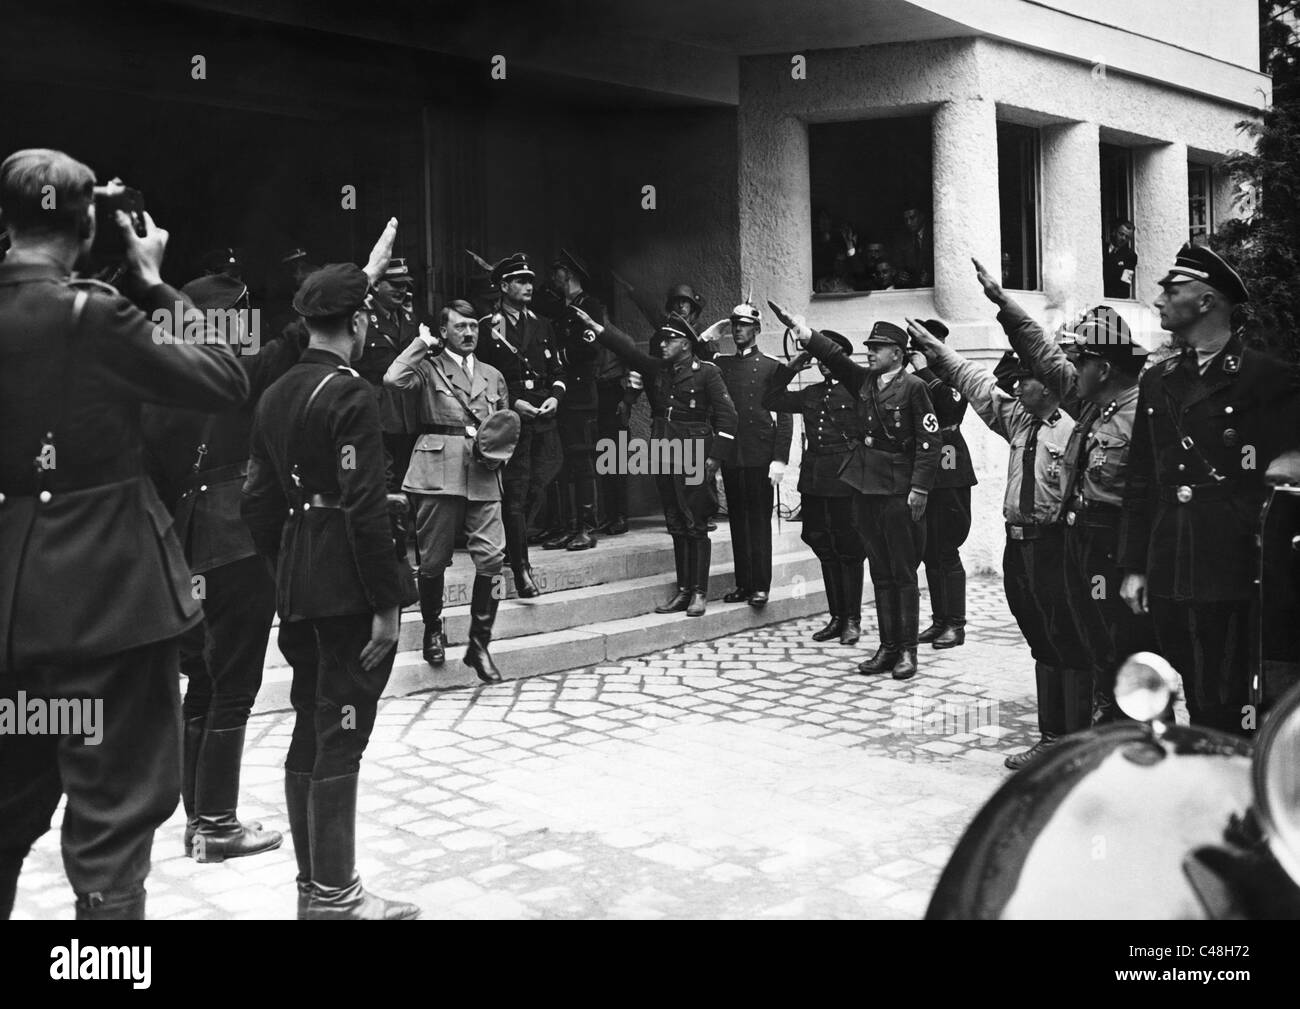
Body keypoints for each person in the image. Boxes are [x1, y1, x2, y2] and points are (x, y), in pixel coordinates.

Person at [0, 148, 248, 919]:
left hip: (11, 609)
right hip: (112, 603)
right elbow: (224, 378)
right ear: (86, 227)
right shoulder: (97, 315)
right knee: (110, 837)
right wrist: (149, 279)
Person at [242, 262, 418, 920]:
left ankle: (312, 887)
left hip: (299, 583)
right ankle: (337, 895)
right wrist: (386, 603)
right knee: (343, 726)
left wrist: (289, 563)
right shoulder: (351, 396)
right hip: (347, 590)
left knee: (311, 724)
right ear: (358, 322)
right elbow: (367, 510)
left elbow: (258, 502)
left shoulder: (276, 392)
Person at [142, 273, 296, 864]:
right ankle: (218, 824)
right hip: (237, 542)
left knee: (202, 685)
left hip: (184, 545)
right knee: (235, 686)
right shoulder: (237, 374)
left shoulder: (156, 386)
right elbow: (301, 333)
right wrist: (368, 272)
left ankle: (198, 826)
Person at [1119, 245, 1300, 735]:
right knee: (1189, 674)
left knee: (1234, 689)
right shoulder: (1158, 380)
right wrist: (1134, 565)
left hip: (1236, 561)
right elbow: (1141, 479)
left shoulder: (1266, 378)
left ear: (1206, 302)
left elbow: (1289, 480)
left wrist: (1276, 568)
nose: (1158, 300)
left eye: (1171, 291)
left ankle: (1235, 777)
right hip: (1171, 556)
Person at [973, 258, 1154, 722]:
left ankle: (1137, 753)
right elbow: (1044, 355)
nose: (1071, 371)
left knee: (1127, 660)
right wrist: (1002, 303)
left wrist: (1139, 567)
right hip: (1084, 548)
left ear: (1104, 367)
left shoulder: (1143, 416)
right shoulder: (1097, 407)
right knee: (1097, 654)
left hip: (1116, 554)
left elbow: (1147, 502)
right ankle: (1098, 739)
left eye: (1081, 362)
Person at [907, 320, 1089, 769]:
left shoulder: (1074, 427)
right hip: (1019, 546)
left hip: (1055, 545)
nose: (1014, 388)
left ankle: (1077, 740)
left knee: (1067, 639)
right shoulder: (1020, 420)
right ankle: (1052, 736)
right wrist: (936, 351)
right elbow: (975, 382)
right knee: (1040, 641)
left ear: (1047, 385)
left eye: (1023, 380)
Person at [792, 317, 941, 680]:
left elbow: (928, 442)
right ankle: (887, 647)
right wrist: (804, 333)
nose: (869, 352)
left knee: (903, 573)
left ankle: (907, 649)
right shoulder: (866, 382)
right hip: (864, 486)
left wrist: (920, 488)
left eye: (877, 348)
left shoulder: (914, 387)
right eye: (869, 347)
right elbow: (837, 359)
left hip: (898, 488)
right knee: (880, 570)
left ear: (897, 353)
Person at [574, 307, 738, 616]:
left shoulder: (707, 372)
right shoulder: (659, 369)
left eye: (669, 340)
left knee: (695, 523)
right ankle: (684, 590)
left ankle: (700, 592)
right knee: (675, 522)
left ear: (686, 343)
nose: (662, 345)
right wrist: (598, 327)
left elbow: (729, 418)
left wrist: (715, 458)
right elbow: (627, 350)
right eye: (662, 340)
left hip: (694, 450)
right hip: (664, 449)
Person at [385, 300, 517, 682]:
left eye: (474, 325)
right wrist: (420, 344)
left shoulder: (492, 375)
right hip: (437, 471)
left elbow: (504, 425)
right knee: (432, 561)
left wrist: (500, 458)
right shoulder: (427, 369)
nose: (469, 332)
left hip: (483, 473)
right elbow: (393, 380)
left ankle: (479, 643)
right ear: (443, 332)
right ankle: (432, 629)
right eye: (459, 327)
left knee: (493, 560)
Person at [762, 330, 867, 644]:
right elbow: (770, 398)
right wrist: (794, 365)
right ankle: (837, 616)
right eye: (819, 360)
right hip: (815, 479)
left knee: (849, 549)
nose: (823, 365)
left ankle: (852, 619)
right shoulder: (810, 393)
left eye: (827, 358)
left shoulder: (857, 391)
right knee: (822, 543)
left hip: (846, 479)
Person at [476, 252, 565, 597]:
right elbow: (482, 377)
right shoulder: (488, 328)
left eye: (530, 281)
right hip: (512, 420)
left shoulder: (543, 324)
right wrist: (513, 403)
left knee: (538, 485)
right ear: (503, 286)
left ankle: (511, 544)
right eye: (521, 281)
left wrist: (555, 396)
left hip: (543, 418)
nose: (528, 286)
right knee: (515, 493)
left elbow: (557, 370)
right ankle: (521, 568)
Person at [710, 303, 793, 608]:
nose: (738, 331)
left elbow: (784, 415)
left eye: (744, 326)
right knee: (738, 522)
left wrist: (780, 459)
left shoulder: (771, 366)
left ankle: (761, 585)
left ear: (756, 330)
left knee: (759, 522)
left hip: (761, 455)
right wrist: (710, 334)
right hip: (734, 454)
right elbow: (698, 360)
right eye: (734, 326)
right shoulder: (723, 365)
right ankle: (743, 584)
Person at [907, 319, 977, 650]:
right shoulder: (913, 377)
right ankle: (939, 621)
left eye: (926, 346)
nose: (920, 353)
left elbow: (951, 406)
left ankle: (956, 624)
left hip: (950, 466)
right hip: (923, 469)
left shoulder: (952, 373)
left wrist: (925, 373)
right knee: (930, 551)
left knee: (948, 547)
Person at [535, 249, 603, 552]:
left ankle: (587, 527)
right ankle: (565, 525)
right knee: (564, 464)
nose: (552, 278)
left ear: (570, 275)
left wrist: (558, 359)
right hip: (565, 397)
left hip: (581, 396)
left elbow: (588, 349)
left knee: (583, 461)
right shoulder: (564, 308)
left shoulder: (589, 306)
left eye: (557, 272)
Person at [358, 257, 425, 493]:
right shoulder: (362, 318)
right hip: (376, 411)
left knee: (408, 477)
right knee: (380, 478)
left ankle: (405, 527)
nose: (402, 290)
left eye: (405, 285)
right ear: (376, 286)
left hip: (407, 412)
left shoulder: (409, 318)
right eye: (395, 284)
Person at [893, 205, 933, 288]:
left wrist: (932, 275)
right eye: (906, 219)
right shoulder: (901, 238)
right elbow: (897, 266)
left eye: (912, 218)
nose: (908, 223)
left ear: (922, 216)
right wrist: (899, 274)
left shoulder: (934, 234)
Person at [1103, 221, 1136, 299]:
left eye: (1127, 237)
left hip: (1112, 299)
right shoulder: (1101, 248)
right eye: (1121, 234)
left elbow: (1124, 284)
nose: (1123, 238)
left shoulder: (1130, 256)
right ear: (1114, 232)